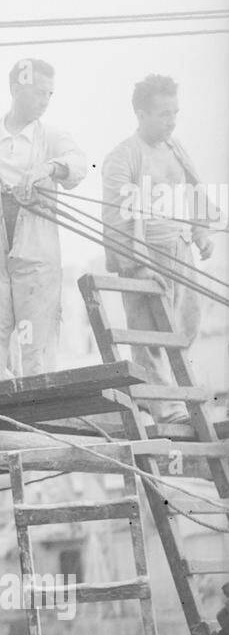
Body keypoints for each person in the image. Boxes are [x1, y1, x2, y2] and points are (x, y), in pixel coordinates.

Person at [0, 59, 86, 383]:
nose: (45, 100)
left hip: (36, 257)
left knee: (36, 338)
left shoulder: (52, 136)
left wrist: (50, 169)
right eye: (38, 92)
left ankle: (40, 412)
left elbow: (78, 164)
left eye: (49, 94)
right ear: (15, 89)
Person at [101, 73, 214, 424]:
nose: (171, 121)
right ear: (141, 114)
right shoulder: (124, 156)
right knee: (150, 334)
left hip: (181, 251)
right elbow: (115, 216)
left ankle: (180, 399)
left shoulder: (175, 148)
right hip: (147, 253)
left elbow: (194, 190)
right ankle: (164, 407)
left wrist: (200, 232)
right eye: (164, 114)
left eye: (175, 113)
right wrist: (136, 263)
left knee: (185, 327)